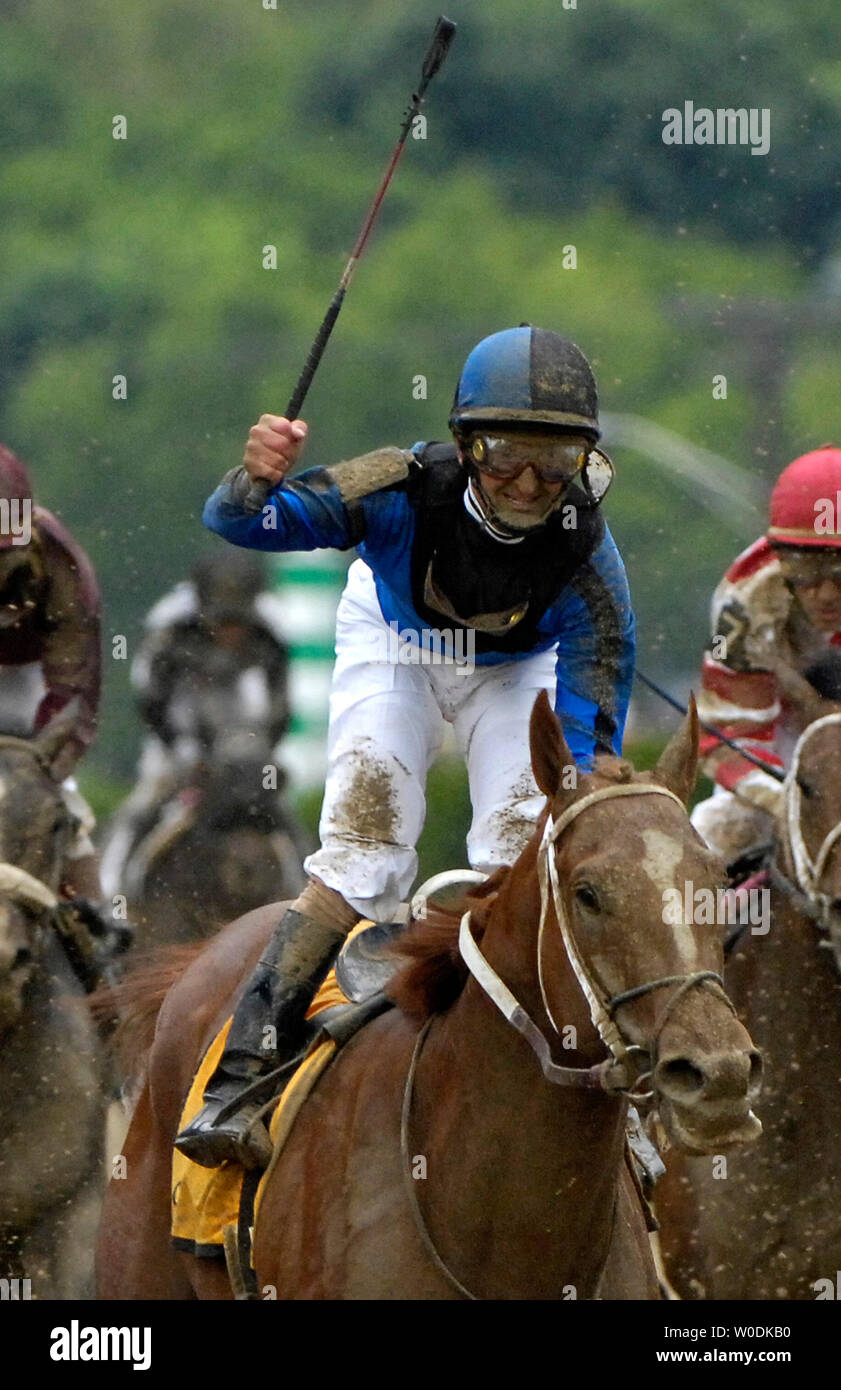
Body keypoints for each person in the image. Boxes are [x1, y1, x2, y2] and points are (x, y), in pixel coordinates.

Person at [177, 325, 636, 1168]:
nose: (528, 483)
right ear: (464, 446)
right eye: (502, 456)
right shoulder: (397, 483)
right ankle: (242, 1073)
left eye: (555, 459)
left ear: (585, 461)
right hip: (394, 646)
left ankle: (597, 1093)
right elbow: (240, 522)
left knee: (518, 851)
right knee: (364, 851)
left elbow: (591, 712)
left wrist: (574, 798)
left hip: (515, 668)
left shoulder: (586, 551)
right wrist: (255, 476)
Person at [100, 551, 292, 898]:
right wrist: (186, 752)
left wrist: (261, 754)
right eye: (222, 621)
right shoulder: (170, 633)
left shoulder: (269, 636)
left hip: (243, 747)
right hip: (177, 741)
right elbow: (152, 702)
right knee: (140, 810)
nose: (231, 631)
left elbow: (280, 707)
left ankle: (305, 890)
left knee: (283, 816)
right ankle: (112, 892)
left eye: (239, 622)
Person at [692, 445, 841, 861]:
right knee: (719, 832)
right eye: (806, 573)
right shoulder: (746, 600)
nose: (826, 594)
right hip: (779, 737)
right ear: (779, 559)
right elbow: (731, 739)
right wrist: (790, 805)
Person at [0, 444, 101, 898]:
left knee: (62, 812)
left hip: (30, 684)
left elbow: (73, 684)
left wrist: (42, 771)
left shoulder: (58, 561)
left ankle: (99, 949)